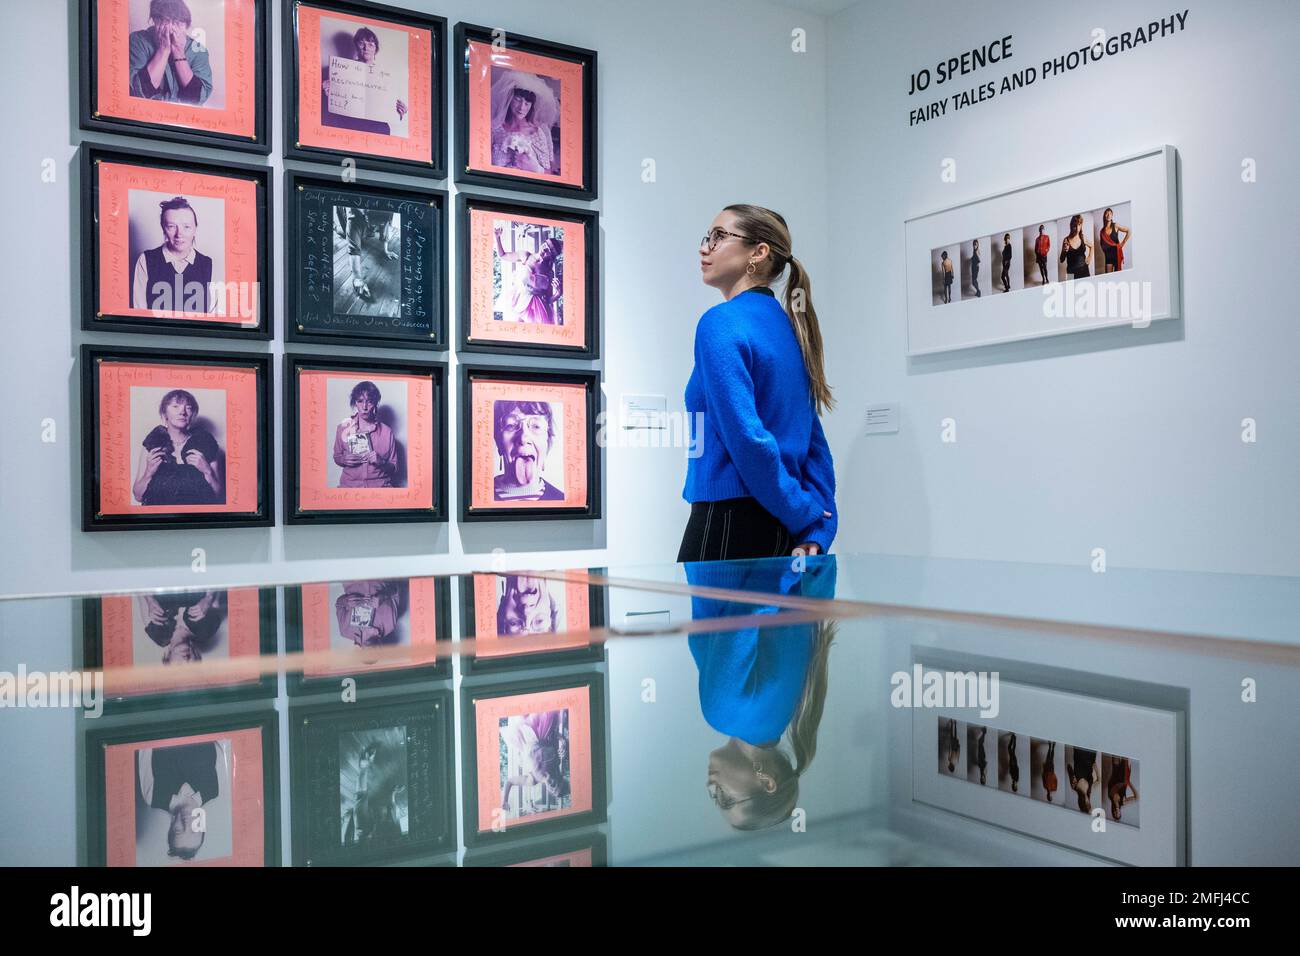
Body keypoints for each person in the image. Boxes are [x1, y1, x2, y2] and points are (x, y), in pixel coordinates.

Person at [680, 204, 836, 561]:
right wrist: (816, 524)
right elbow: (814, 445)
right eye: (707, 237)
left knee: (715, 619)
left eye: (719, 237)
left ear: (758, 251)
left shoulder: (719, 322)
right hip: (785, 527)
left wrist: (805, 513)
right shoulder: (790, 327)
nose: (705, 247)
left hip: (728, 524)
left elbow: (748, 438)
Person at [691, 557, 838, 830]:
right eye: (726, 800)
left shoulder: (794, 706)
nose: (713, 789)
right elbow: (750, 607)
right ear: (767, 782)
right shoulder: (723, 715)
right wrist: (786, 558)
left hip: (773, 538)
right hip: (731, 541)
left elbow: (818, 591)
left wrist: (802, 547)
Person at [133, 389, 223, 506]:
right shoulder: (153, 444)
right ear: (165, 413)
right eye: (175, 406)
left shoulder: (206, 444)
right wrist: (148, 473)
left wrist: (207, 471)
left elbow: (219, 495)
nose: (183, 412)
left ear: (192, 414)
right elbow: (138, 496)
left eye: (189, 407)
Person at [137, 741, 221, 861]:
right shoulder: (213, 789)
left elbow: (144, 745)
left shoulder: (152, 796)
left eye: (179, 830)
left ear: (171, 827)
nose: (186, 823)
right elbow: (218, 739)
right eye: (194, 829)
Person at [131, 197, 214, 314]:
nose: (179, 234)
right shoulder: (146, 260)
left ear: (195, 229)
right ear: (163, 229)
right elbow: (139, 313)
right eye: (171, 226)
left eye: (186, 227)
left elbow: (213, 316)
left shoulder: (207, 264)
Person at [322, 27, 406, 135]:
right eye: (362, 43)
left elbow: (389, 104)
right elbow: (334, 101)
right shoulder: (341, 70)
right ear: (356, 46)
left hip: (377, 128)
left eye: (371, 44)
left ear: (376, 49)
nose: (366, 48)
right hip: (348, 125)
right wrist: (328, 91)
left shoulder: (386, 75)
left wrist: (399, 108)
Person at [128, 0, 213, 105]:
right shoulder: (138, 40)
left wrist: (178, 51)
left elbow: (197, 98)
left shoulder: (198, 50)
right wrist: (164, 49)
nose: (171, 28)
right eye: (165, 21)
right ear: (155, 20)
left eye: (177, 23)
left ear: (186, 24)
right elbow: (139, 93)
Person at [493, 400, 565, 501]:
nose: (523, 438)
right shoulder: (476, 498)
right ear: (498, 441)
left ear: (547, 442)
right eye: (511, 425)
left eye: (536, 426)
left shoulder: (562, 500)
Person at [500, 711, 569, 814]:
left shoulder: (533, 780)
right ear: (559, 779)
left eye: (552, 789)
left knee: (519, 714)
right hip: (541, 728)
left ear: (549, 791)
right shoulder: (556, 762)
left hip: (526, 736)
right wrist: (563, 741)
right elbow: (553, 734)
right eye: (556, 785)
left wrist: (504, 800)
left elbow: (509, 782)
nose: (552, 785)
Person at [490, 71, 559, 174]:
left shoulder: (540, 133)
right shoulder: (494, 129)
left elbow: (548, 172)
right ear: (509, 99)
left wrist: (535, 168)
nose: (522, 107)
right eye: (518, 100)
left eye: (527, 103)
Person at [333, 381, 399, 488]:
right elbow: (337, 456)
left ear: (376, 403)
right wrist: (343, 459)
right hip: (349, 487)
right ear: (355, 403)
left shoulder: (387, 432)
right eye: (360, 401)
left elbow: (394, 467)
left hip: (380, 488)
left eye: (369, 402)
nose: (364, 407)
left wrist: (381, 462)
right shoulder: (343, 428)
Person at [495, 226, 562, 324]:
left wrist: (558, 293)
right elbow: (502, 255)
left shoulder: (549, 273)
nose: (544, 250)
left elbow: (548, 300)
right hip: (517, 301)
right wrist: (497, 238)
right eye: (545, 245)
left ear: (552, 256)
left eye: (549, 250)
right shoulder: (526, 256)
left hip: (537, 311)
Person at [138, 590, 224, 663]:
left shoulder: (156, 632)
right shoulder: (206, 630)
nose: (185, 660)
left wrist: (150, 600)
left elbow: (141, 588)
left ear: (168, 658)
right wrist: (209, 599)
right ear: (197, 656)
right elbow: (217, 590)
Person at [334, 206, 398, 304]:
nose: (376, 227)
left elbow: (384, 232)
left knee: (364, 236)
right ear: (367, 217)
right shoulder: (354, 219)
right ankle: (334, 226)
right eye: (373, 224)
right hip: (345, 211)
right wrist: (357, 279)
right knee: (344, 232)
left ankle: (362, 233)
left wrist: (386, 251)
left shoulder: (384, 215)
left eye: (378, 224)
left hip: (367, 221)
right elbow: (354, 250)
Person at [334, 580, 404, 647]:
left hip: (352, 575)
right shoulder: (390, 625)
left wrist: (346, 601)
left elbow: (339, 604)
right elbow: (395, 589)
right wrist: (383, 596)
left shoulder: (345, 631)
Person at [1098, 207, 1131, 273]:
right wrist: (1105, 250)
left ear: (1112, 216)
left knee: (1118, 276)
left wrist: (1122, 243)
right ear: (1104, 216)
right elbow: (1101, 243)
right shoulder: (1102, 231)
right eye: (1106, 213)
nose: (1108, 215)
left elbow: (1128, 231)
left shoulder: (1115, 225)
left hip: (1117, 253)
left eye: (1110, 213)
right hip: (1108, 256)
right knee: (1108, 277)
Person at [1060, 214, 1092, 279]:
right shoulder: (1066, 240)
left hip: (1084, 270)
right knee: (1070, 289)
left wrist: (1089, 257)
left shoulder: (1083, 237)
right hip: (1070, 273)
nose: (1077, 228)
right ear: (1071, 226)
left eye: (1079, 225)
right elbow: (1061, 259)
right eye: (1075, 225)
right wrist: (1064, 251)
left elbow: (1092, 246)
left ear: (1081, 225)